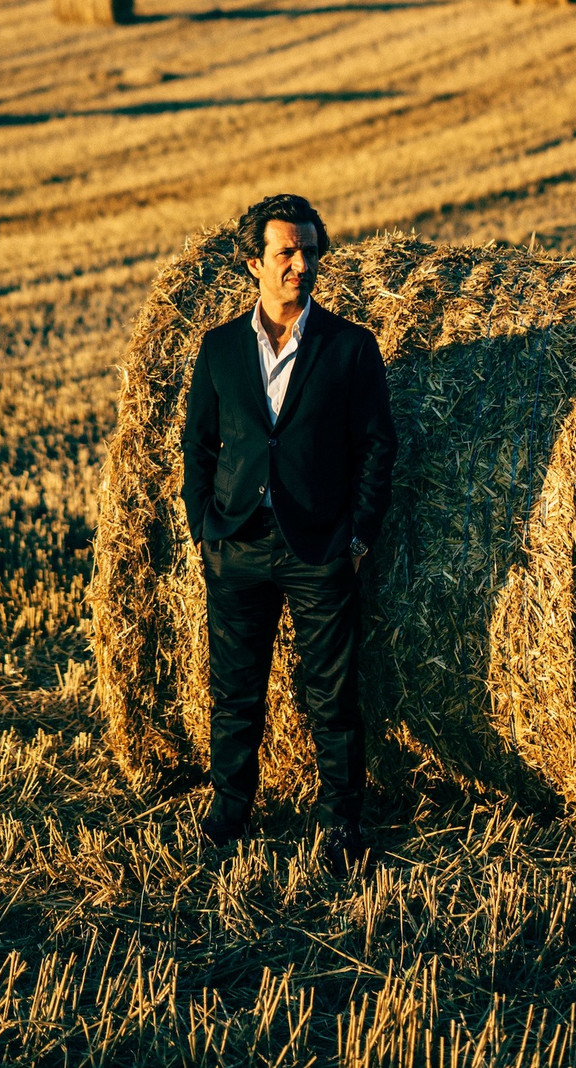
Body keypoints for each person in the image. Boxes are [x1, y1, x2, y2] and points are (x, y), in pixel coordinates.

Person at [180, 192, 398, 873]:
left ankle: (340, 822)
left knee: (331, 693)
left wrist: (358, 538)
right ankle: (229, 809)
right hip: (237, 544)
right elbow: (198, 448)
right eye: (285, 252)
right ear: (253, 263)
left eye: (309, 251)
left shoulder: (349, 347)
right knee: (235, 689)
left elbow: (377, 446)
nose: (300, 264)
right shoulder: (218, 350)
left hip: (319, 547)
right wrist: (204, 534)